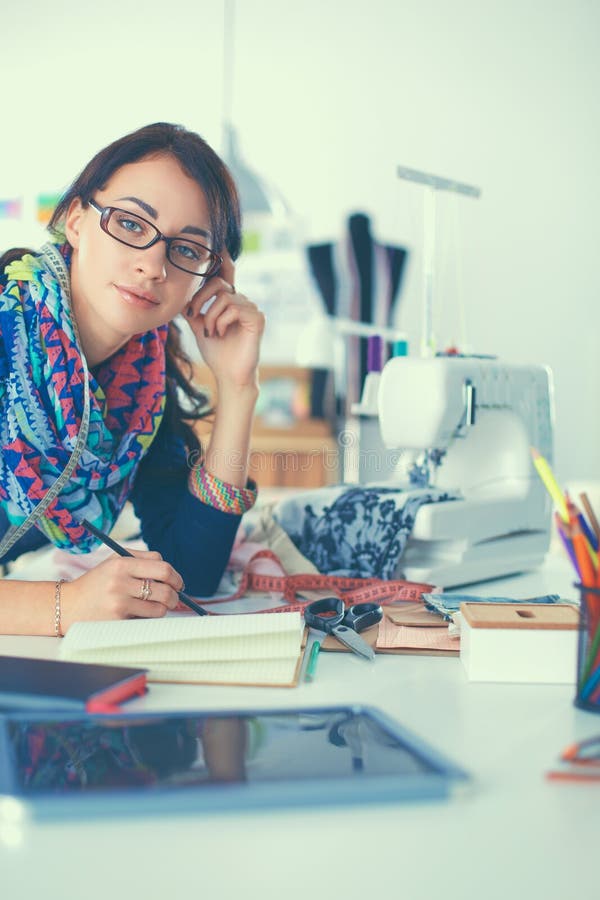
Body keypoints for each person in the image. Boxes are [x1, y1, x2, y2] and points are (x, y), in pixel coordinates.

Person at [0, 122, 265, 636]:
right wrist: (67, 605)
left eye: (187, 250)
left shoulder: (139, 392)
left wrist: (237, 388)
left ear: (206, 281)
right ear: (76, 221)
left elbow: (193, 571)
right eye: (130, 224)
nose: (152, 265)